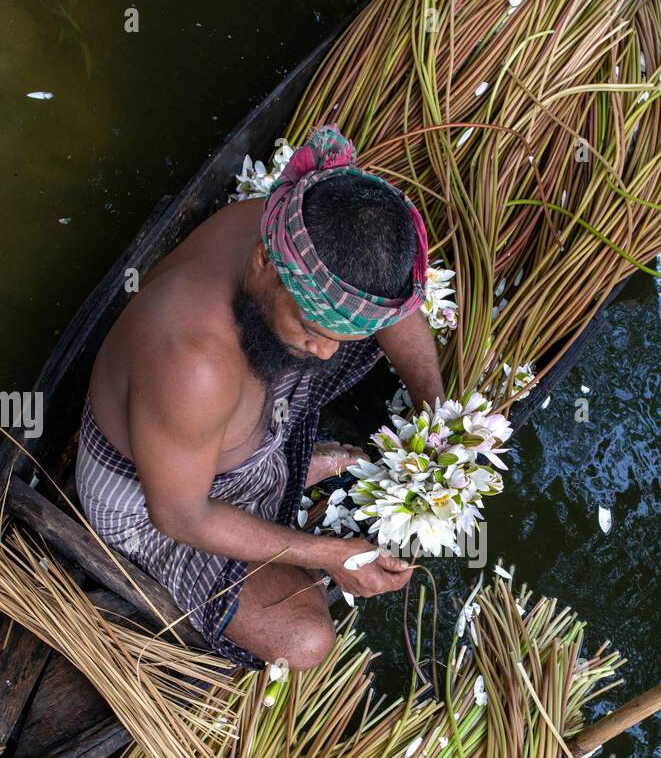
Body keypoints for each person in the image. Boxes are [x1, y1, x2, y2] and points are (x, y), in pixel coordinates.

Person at [76, 127, 445, 668]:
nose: (322, 352)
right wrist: (332, 555)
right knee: (306, 640)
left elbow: (393, 310)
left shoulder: (291, 227)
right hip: (157, 501)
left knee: (346, 344)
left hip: (219, 432)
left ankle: (273, 472)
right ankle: (271, 489)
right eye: (310, 325)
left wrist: (434, 410)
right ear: (262, 261)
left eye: (338, 332)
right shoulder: (192, 360)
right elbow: (182, 517)